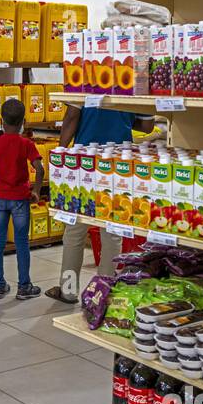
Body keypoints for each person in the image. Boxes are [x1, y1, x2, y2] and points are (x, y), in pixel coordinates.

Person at [45, 103, 153, 303]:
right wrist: (121, 119)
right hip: (121, 160)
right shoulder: (131, 78)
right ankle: (103, 292)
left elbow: (71, 116)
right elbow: (147, 126)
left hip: (85, 160)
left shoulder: (85, 74)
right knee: (112, 230)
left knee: (75, 230)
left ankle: (68, 291)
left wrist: (61, 151)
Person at [0, 97, 45, 300]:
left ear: (0, 121)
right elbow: (39, 169)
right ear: (24, 122)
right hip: (21, 199)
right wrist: (37, 191)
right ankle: (24, 286)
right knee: (22, 242)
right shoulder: (26, 143)